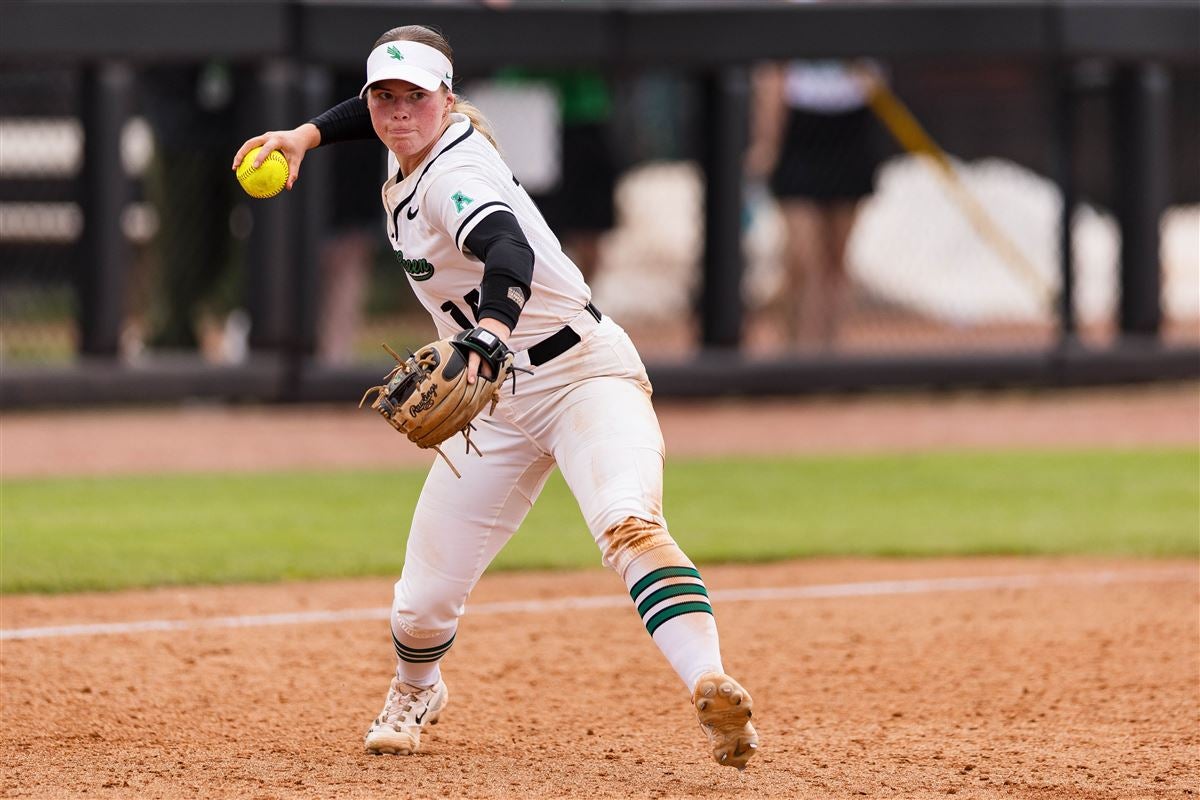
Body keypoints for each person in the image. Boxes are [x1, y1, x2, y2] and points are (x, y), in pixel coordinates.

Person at [233, 25, 759, 770]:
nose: (398, 112)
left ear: (448, 100)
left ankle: (710, 683)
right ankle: (416, 689)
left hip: (581, 376)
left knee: (628, 524)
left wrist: (488, 332)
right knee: (420, 605)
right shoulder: (406, 139)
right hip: (495, 400)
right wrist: (304, 135)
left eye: (416, 96)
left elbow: (507, 248)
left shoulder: (453, 177)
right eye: (385, 96)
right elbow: (369, 116)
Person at [747, 59, 885, 348]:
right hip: (800, 127)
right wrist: (767, 138)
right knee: (803, 257)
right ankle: (793, 351)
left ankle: (827, 352)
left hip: (850, 124)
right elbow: (772, 69)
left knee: (835, 259)